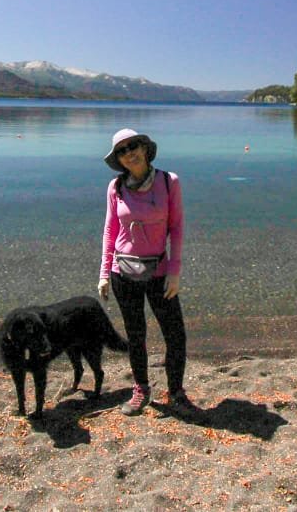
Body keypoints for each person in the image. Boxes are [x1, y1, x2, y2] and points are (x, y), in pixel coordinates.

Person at [97, 128, 193, 416]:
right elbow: (110, 230)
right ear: (119, 159)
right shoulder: (115, 187)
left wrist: (174, 272)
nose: (129, 153)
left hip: (159, 272)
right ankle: (141, 389)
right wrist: (103, 273)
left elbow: (176, 228)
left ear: (145, 148)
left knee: (175, 334)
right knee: (135, 335)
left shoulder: (168, 181)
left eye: (133, 146)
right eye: (122, 151)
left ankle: (176, 391)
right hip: (122, 272)